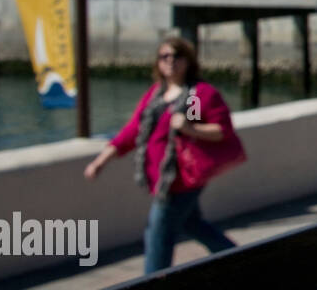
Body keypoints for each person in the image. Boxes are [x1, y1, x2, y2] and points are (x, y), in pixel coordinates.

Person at [84, 36, 240, 274]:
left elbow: (220, 130)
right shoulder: (156, 96)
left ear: (188, 61)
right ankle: (238, 258)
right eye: (164, 56)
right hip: (160, 179)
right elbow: (132, 132)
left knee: (158, 232)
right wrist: (100, 162)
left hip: (181, 180)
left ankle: (152, 286)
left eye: (176, 56)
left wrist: (190, 127)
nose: (170, 62)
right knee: (192, 223)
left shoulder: (194, 95)